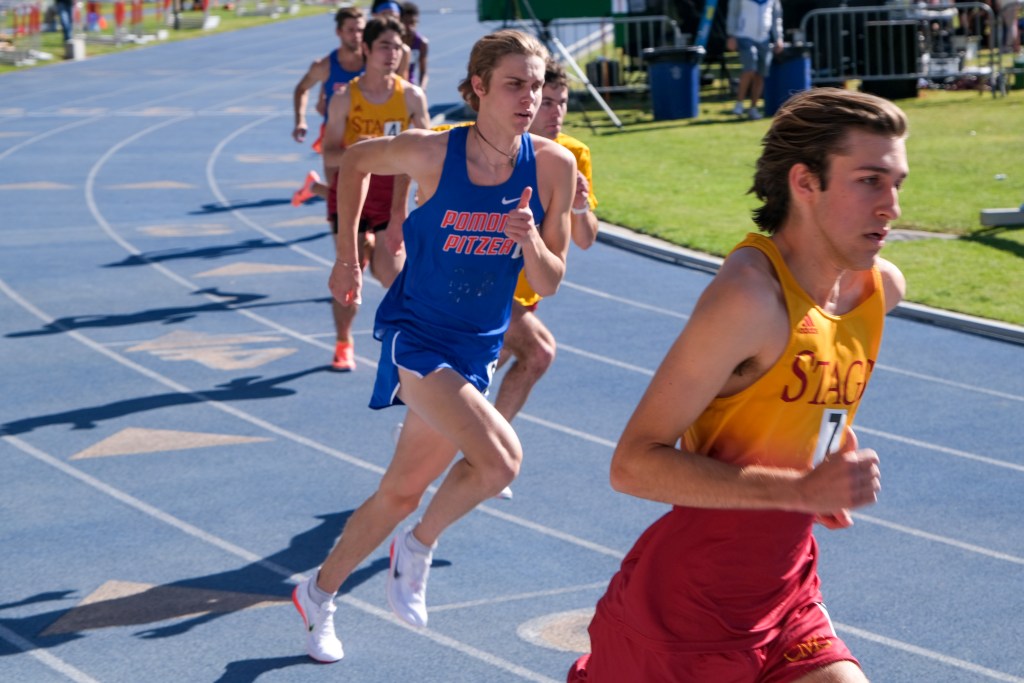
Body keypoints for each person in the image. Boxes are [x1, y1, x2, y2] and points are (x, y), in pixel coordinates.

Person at [568, 87, 908, 682]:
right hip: (683, 619)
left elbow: (800, 404)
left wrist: (827, 466)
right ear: (806, 182)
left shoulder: (877, 291)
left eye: (897, 182)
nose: (892, 207)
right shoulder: (749, 298)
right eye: (870, 182)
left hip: (786, 592)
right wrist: (801, 488)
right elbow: (632, 464)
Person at [290, 29, 576, 664]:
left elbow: (550, 281)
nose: (529, 98)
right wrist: (346, 259)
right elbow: (358, 160)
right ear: (478, 88)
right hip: (418, 336)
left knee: (397, 491)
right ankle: (416, 548)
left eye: (535, 85)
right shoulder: (434, 154)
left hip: (477, 347)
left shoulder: (553, 166)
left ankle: (318, 592)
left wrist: (529, 240)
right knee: (501, 462)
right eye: (514, 84)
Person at [491, 58, 599, 498]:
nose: (555, 112)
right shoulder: (494, 145)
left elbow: (587, 238)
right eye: (547, 102)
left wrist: (578, 205)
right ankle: (487, 452)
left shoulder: (575, 155)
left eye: (562, 103)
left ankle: (434, 427)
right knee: (538, 354)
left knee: (481, 371)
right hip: (487, 286)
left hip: (529, 289)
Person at [319, 15, 429, 371]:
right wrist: (362, 150)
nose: (393, 53)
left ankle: (402, 352)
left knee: (394, 275)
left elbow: (425, 157)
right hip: (351, 195)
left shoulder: (412, 97)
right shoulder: (344, 99)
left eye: (399, 47)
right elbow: (330, 154)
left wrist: (404, 213)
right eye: (385, 46)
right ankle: (343, 341)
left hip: (390, 198)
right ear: (365, 48)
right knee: (348, 275)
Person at [290, 6, 366, 207]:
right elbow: (301, 89)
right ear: (338, 32)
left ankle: (313, 187)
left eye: (360, 30)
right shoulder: (324, 66)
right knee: (344, 199)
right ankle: (314, 188)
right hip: (335, 136)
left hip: (367, 131)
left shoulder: (373, 62)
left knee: (367, 199)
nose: (357, 36)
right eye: (351, 30)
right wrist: (300, 121)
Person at [727, 0, 783, 120]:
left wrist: (778, 37)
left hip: (764, 38)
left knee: (760, 74)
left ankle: (753, 108)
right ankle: (739, 104)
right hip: (744, 35)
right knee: (750, 69)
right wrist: (731, 35)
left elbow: (776, 18)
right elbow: (733, 13)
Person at [401, 1, 429, 89]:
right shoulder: (394, 43)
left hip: (410, 85)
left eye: (412, 23)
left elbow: (423, 72)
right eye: (405, 22)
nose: (409, 27)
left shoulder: (421, 43)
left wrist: (422, 88)